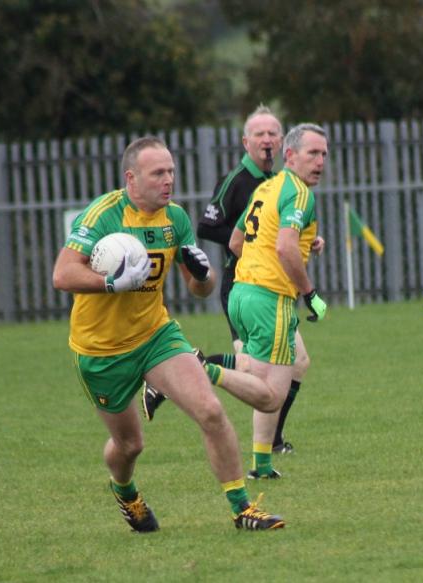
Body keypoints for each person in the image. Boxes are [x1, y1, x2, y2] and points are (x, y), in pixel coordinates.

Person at [52, 136, 284, 532]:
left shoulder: (174, 219)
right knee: (130, 446)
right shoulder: (103, 215)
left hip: (155, 335)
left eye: (171, 171)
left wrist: (202, 274)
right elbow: (62, 275)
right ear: (132, 178)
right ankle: (125, 491)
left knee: (210, 411)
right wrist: (111, 283)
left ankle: (243, 508)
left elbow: (202, 290)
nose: (168, 180)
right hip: (101, 349)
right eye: (158, 173)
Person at [144, 105, 322, 457]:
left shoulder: (277, 184)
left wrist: (305, 242)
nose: (267, 139)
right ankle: (184, 369)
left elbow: (279, 234)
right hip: (246, 285)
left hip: (259, 286)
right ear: (246, 142)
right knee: (256, 372)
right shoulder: (238, 180)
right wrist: (263, 251)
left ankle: (270, 443)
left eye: (273, 132)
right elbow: (208, 227)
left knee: (294, 363)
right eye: (260, 134)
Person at [226, 122, 329, 479]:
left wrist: (303, 245)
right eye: (312, 153)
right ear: (290, 155)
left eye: (324, 154)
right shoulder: (300, 193)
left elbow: (237, 242)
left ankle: (262, 466)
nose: (320, 161)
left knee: (267, 377)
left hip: (241, 294)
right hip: (271, 299)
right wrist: (310, 294)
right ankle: (203, 365)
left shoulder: (267, 187)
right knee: (272, 394)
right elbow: (284, 246)